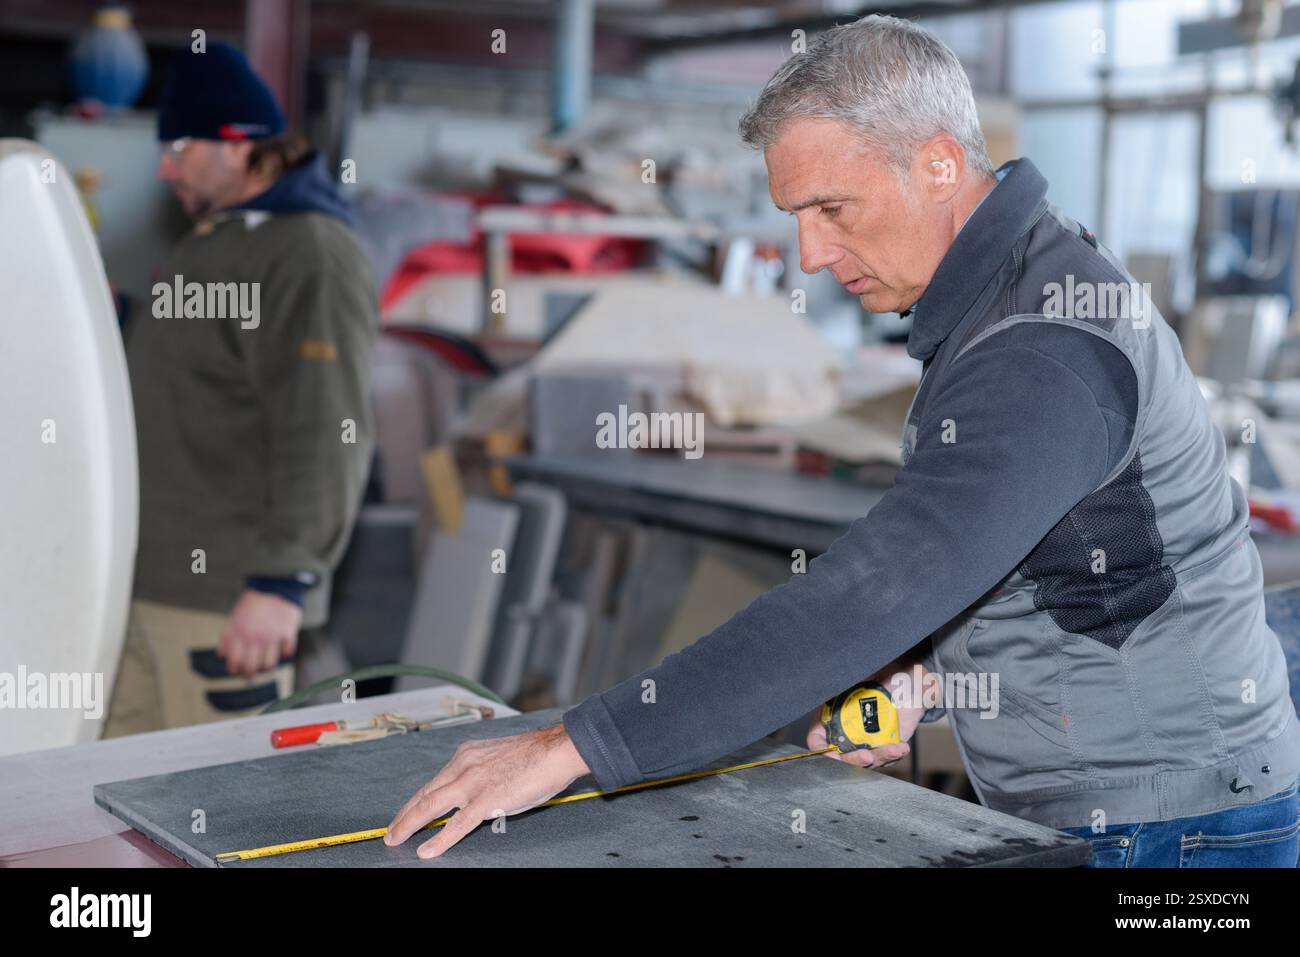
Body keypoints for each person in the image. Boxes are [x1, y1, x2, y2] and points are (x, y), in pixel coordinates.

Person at [385, 15, 1300, 867]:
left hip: (1178, 828)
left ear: (939, 166)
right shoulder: (1004, 291)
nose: (811, 255)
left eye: (831, 208)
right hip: (1124, 797)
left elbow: (871, 590)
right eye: (794, 217)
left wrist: (576, 745)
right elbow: (1052, 564)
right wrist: (925, 672)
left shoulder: (1044, 346)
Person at [103, 43, 378, 735]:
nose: (165, 170)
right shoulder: (216, 240)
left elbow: (327, 428)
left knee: (207, 810)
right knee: (105, 809)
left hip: (224, 603)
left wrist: (282, 583)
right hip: (148, 584)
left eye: (180, 147)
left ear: (238, 143)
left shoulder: (309, 251)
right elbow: (202, 357)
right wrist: (120, 313)